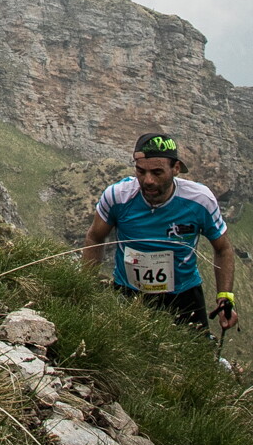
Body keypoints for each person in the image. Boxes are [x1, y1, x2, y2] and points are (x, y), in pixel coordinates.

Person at [82, 133, 239, 332]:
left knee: (196, 358)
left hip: (184, 297)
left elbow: (223, 248)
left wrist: (225, 295)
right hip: (128, 292)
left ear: (176, 168)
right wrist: (84, 287)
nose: (148, 180)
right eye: (141, 171)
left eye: (157, 172)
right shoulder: (117, 196)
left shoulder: (200, 200)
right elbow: (95, 237)